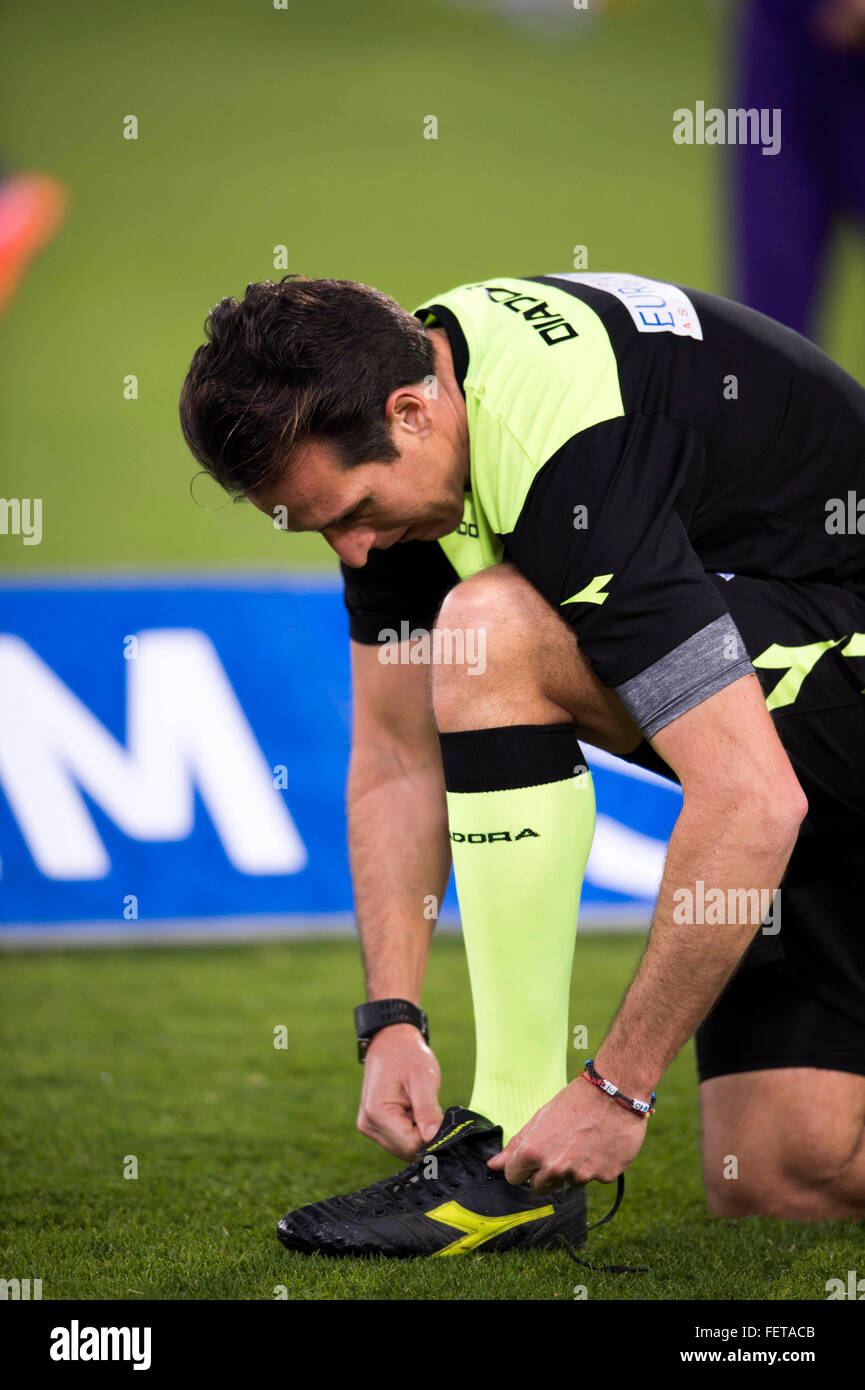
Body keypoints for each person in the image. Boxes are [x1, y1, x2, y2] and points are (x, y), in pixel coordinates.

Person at [179, 270, 865, 1257]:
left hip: (820, 688)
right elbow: (396, 755)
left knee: (493, 630)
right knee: (782, 1170)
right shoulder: (411, 416)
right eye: (321, 526)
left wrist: (616, 1087)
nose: (356, 550)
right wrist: (391, 1021)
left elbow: (750, 800)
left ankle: (508, 1150)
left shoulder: (572, 452)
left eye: (352, 510)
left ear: (410, 412)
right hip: (809, 722)